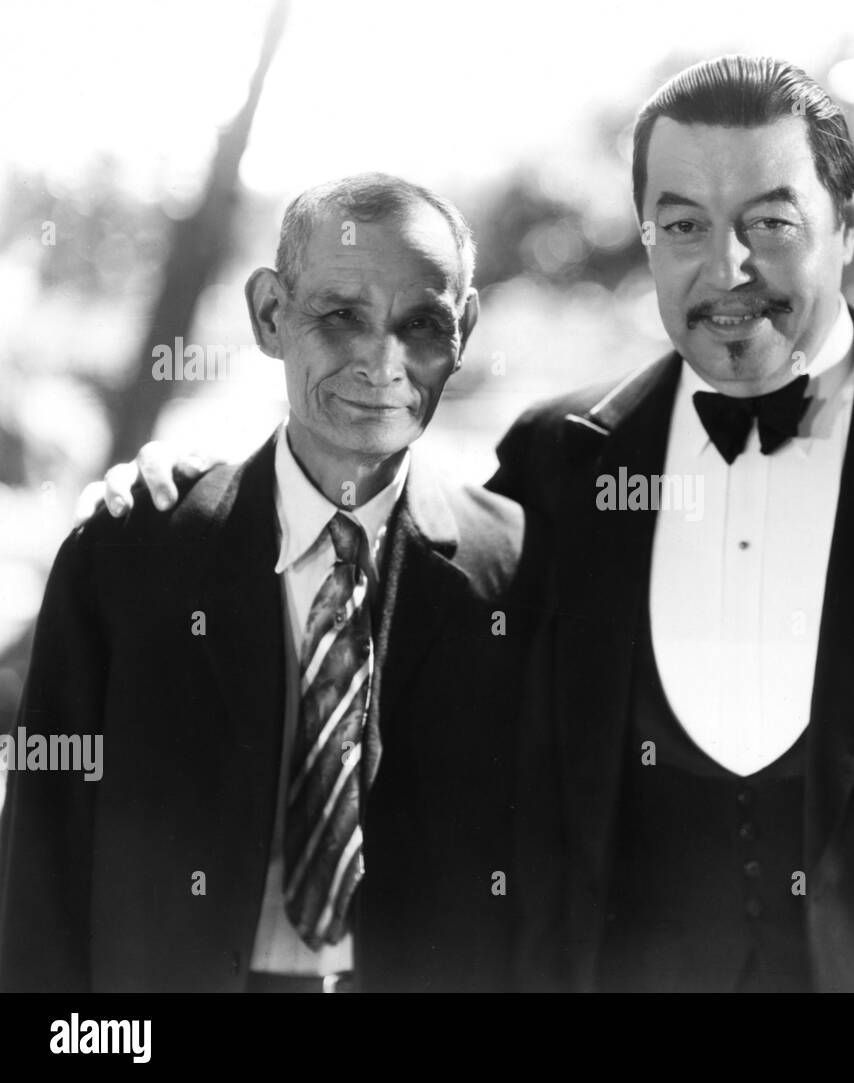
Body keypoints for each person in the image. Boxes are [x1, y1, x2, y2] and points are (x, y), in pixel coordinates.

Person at [93, 56, 854, 994]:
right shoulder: (557, 462)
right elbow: (391, 573)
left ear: (847, 221)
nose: (726, 267)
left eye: (770, 223)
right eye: (684, 224)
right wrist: (200, 491)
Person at [0, 173, 542, 992]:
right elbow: (40, 870)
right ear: (269, 315)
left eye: (422, 324)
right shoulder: (130, 551)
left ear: (464, 330)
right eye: (339, 315)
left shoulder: (511, 567)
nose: (381, 362)